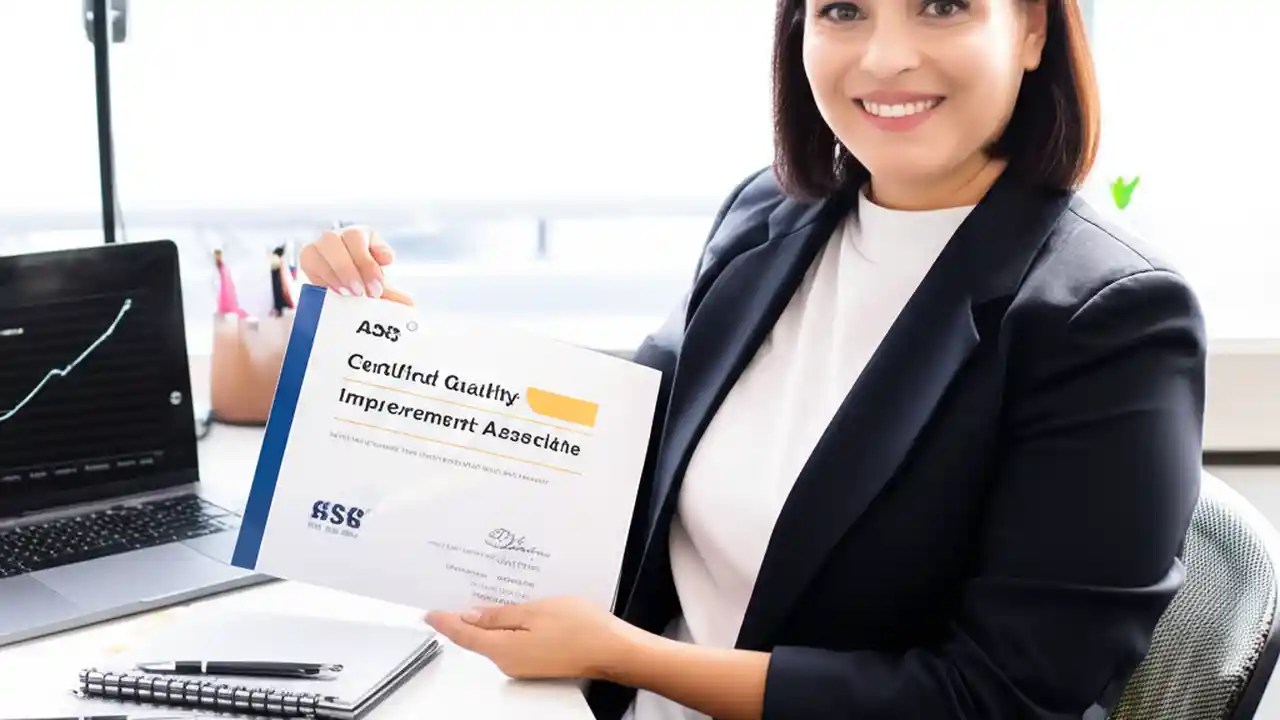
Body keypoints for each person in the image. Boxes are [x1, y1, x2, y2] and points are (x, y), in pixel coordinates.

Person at [299, 0, 1206, 717]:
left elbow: (999, 698)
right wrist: (398, 349)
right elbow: (617, 433)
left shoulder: (1110, 320)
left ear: (1035, 27)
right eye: (843, 9)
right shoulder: (769, 216)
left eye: (941, 5)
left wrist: (628, 656)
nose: (884, 57)